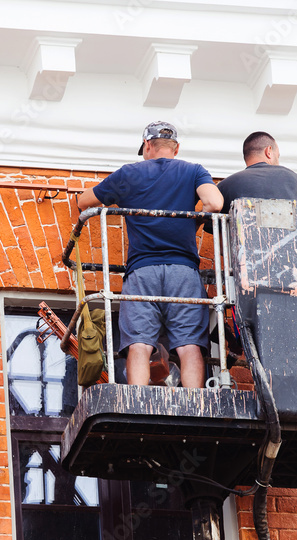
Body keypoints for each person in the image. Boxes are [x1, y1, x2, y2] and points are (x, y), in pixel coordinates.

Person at [76, 121, 223, 388]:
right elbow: (215, 202)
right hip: (184, 272)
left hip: (142, 271)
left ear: (147, 146)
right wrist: (192, 222)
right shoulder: (193, 171)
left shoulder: (129, 173)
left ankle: (137, 399)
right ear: (176, 148)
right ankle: (194, 405)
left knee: (139, 344)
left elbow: (84, 202)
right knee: (190, 344)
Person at [218, 131, 297, 212]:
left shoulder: (225, 185)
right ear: (268, 151)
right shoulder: (294, 179)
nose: (278, 161)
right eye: (277, 156)